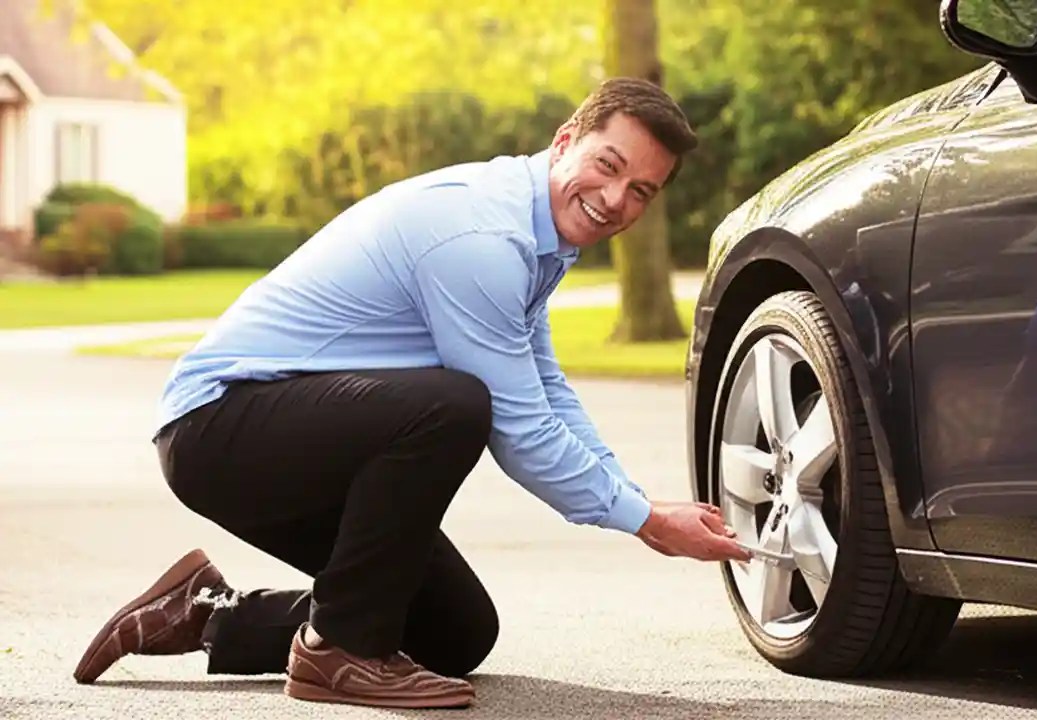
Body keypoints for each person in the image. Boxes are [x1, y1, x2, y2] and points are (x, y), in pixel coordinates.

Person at [71, 77, 751, 709]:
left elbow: (546, 387)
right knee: (455, 405)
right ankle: (335, 653)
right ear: (566, 140)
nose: (615, 199)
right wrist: (644, 522)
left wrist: (632, 495)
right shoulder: (482, 235)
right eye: (609, 165)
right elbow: (516, 425)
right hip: (222, 428)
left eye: (640, 191)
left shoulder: (532, 238)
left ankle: (208, 611)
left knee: (454, 632)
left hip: (303, 440)